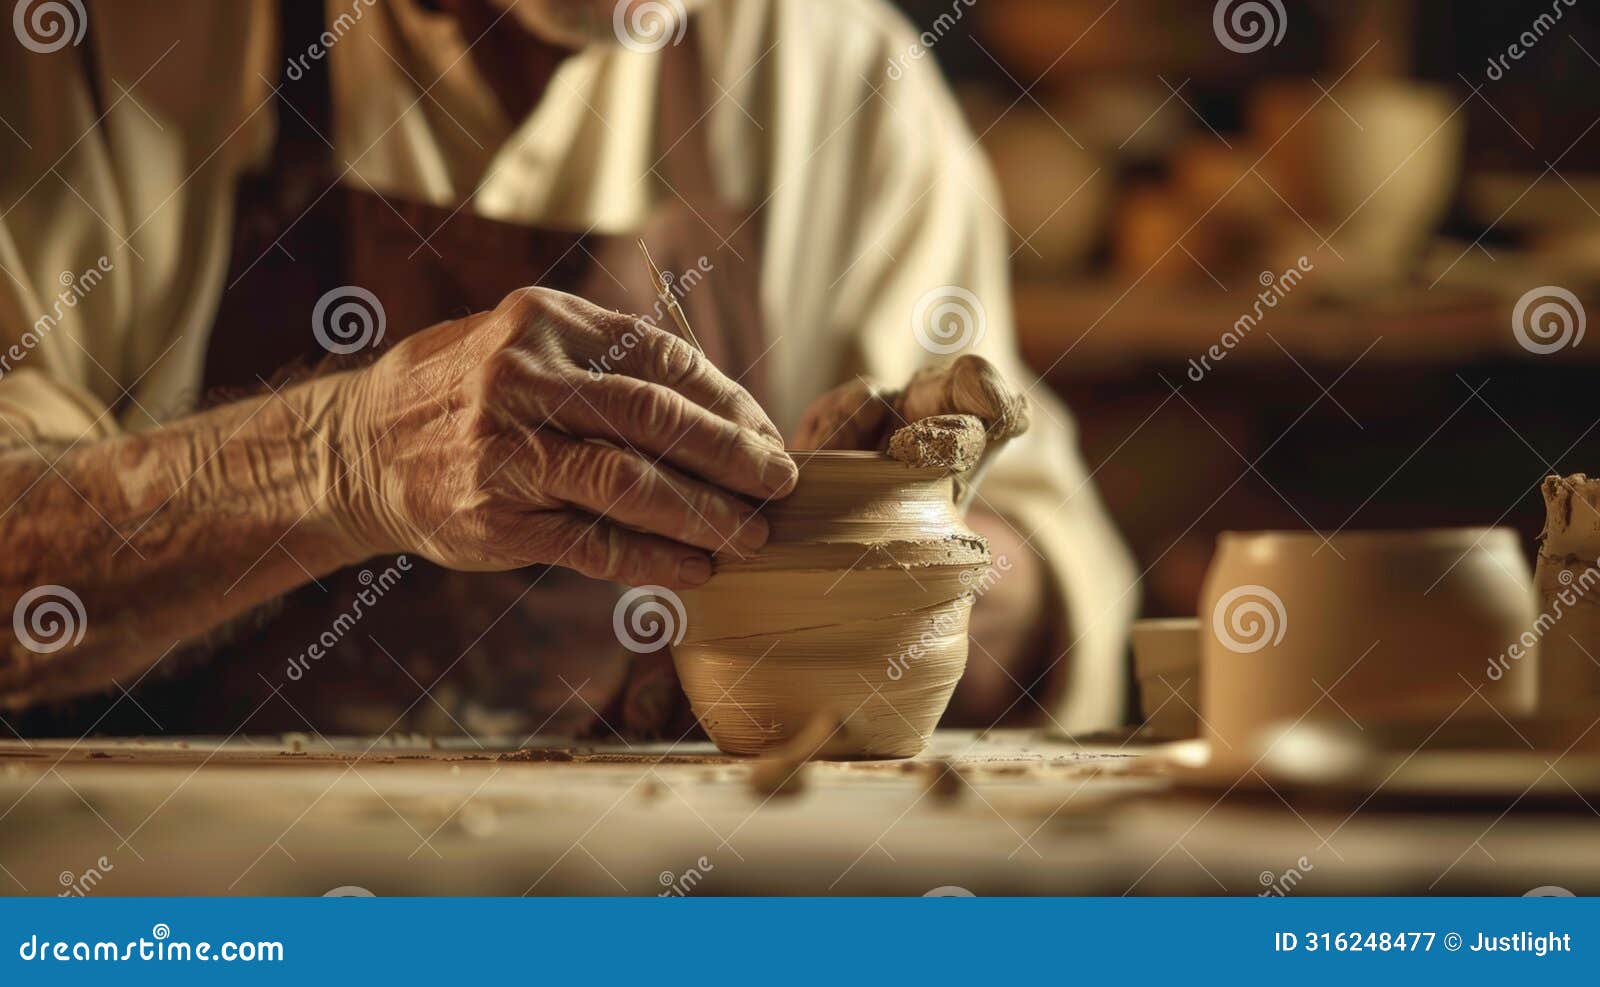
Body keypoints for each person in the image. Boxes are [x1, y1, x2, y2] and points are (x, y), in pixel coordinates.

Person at [0, 0, 1135, 740]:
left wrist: (888, 560)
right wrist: (334, 460)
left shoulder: (832, 67)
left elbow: (1052, 593)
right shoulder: (101, 41)